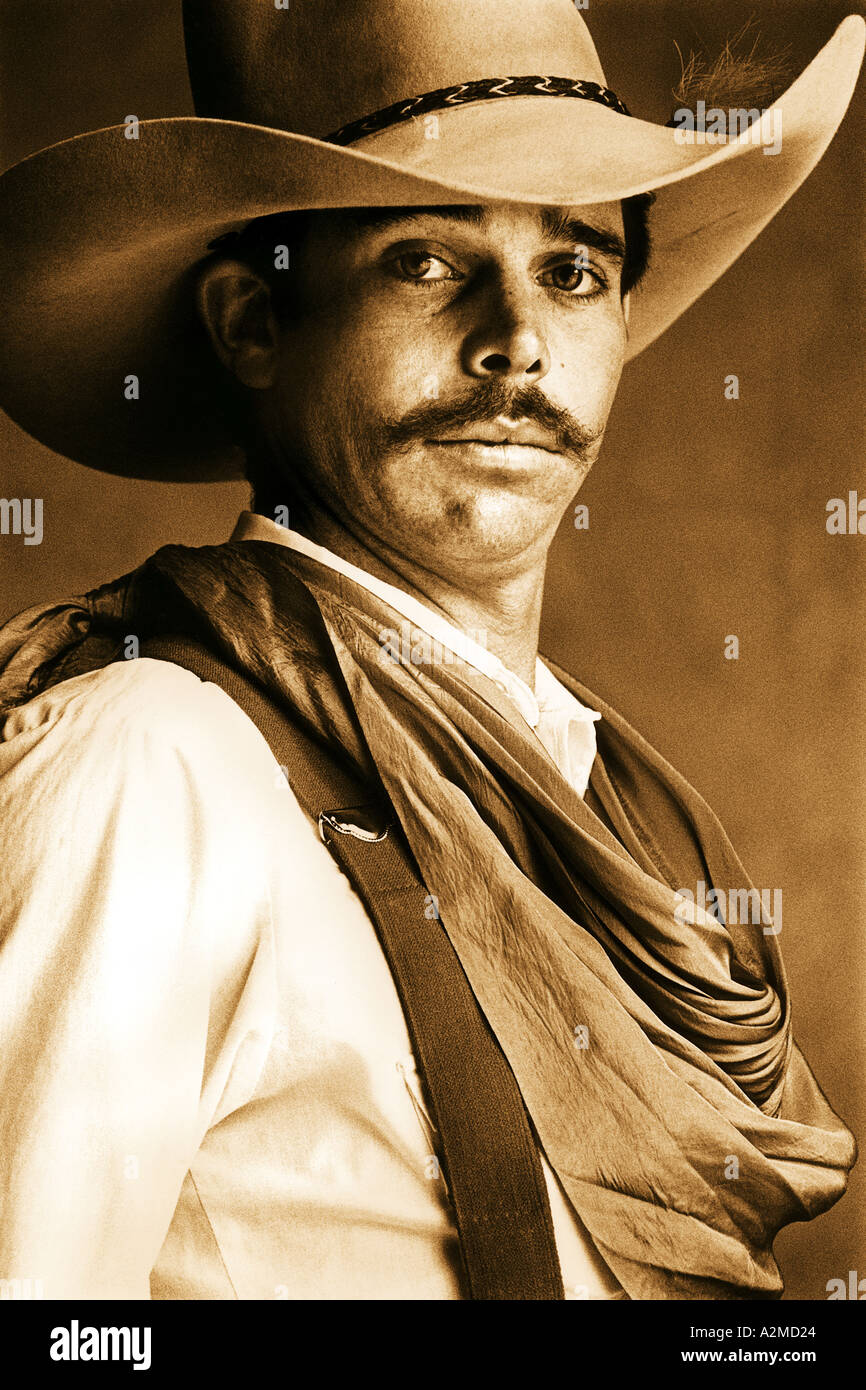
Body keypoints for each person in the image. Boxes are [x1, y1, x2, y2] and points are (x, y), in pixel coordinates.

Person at [0, 0, 861, 1301]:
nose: (516, 339)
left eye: (572, 269)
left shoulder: (616, 804)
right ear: (252, 323)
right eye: (422, 259)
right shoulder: (149, 767)